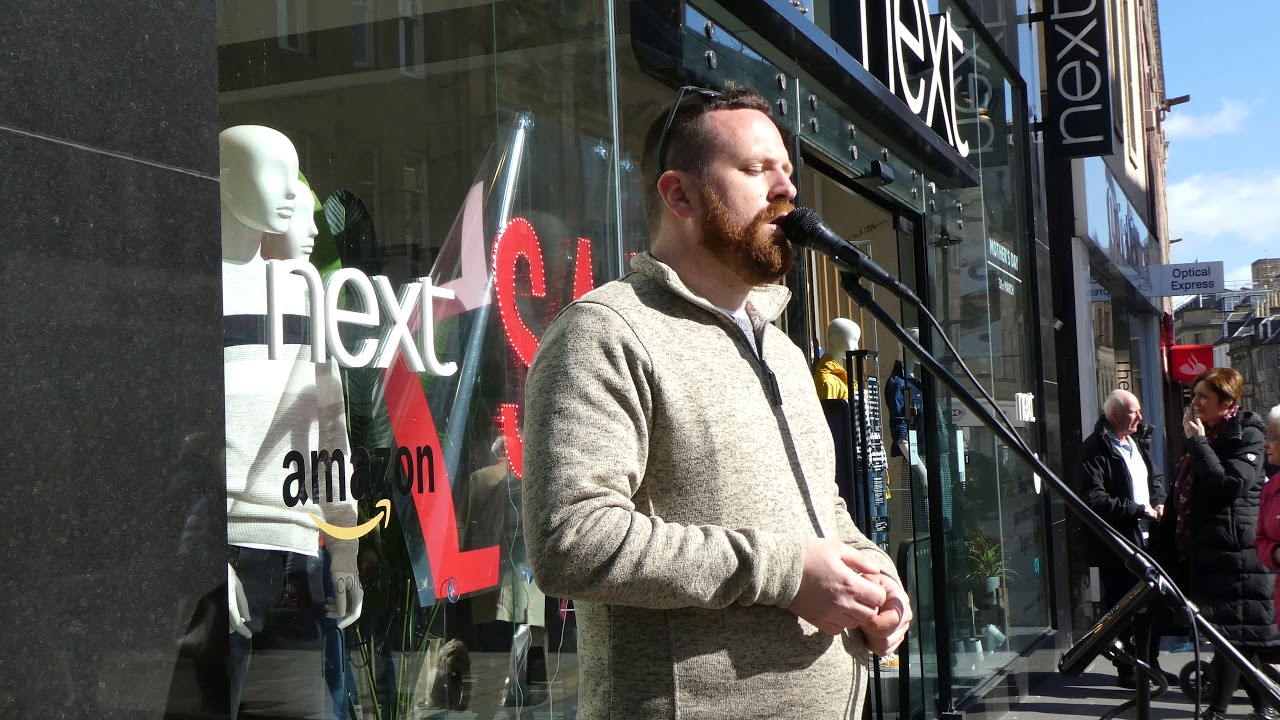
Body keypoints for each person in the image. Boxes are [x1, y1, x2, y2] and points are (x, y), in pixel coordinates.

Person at [522, 83, 912, 719]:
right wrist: (786, 574)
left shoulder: (784, 350)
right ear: (679, 195)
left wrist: (875, 573)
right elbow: (571, 540)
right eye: (757, 170)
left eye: (787, 172)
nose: (786, 189)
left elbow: (822, 506)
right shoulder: (605, 332)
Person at [1165, 368, 1279, 720]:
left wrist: (1197, 443)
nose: (1196, 403)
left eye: (1204, 397)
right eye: (1194, 395)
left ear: (1228, 402)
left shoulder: (1247, 433)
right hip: (1212, 552)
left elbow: (1229, 486)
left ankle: (1218, 711)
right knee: (1237, 637)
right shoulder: (1207, 436)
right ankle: (1264, 708)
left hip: (1238, 555)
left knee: (1232, 637)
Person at [1074, 389, 1169, 688]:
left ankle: (1151, 664)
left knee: (1153, 605)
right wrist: (1136, 510)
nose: (1140, 417)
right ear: (1114, 414)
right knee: (1125, 607)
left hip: (1149, 539)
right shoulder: (1094, 449)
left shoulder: (1137, 442)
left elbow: (1154, 478)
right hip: (1120, 544)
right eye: (1133, 411)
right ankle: (1129, 669)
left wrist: (1159, 501)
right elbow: (1093, 498)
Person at [1255, 405, 1280, 628]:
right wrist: (1275, 553)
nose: (1265, 444)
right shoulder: (1271, 489)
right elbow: (1261, 539)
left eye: (1271, 438)